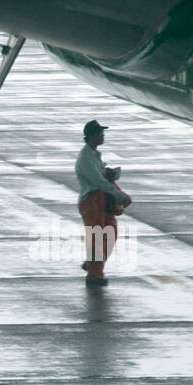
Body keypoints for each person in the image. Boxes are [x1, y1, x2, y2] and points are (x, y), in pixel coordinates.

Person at [75, 120, 130, 286]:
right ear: (91, 136)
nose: (103, 135)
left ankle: (93, 266)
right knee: (98, 237)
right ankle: (94, 275)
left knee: (110, 235)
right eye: (100, 133)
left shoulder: (93, 155)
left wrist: (109, 172)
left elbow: (100, 176)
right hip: (92, 201)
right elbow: (98, 181)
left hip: (101, 200)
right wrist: (118, 194)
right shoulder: (86, 158)